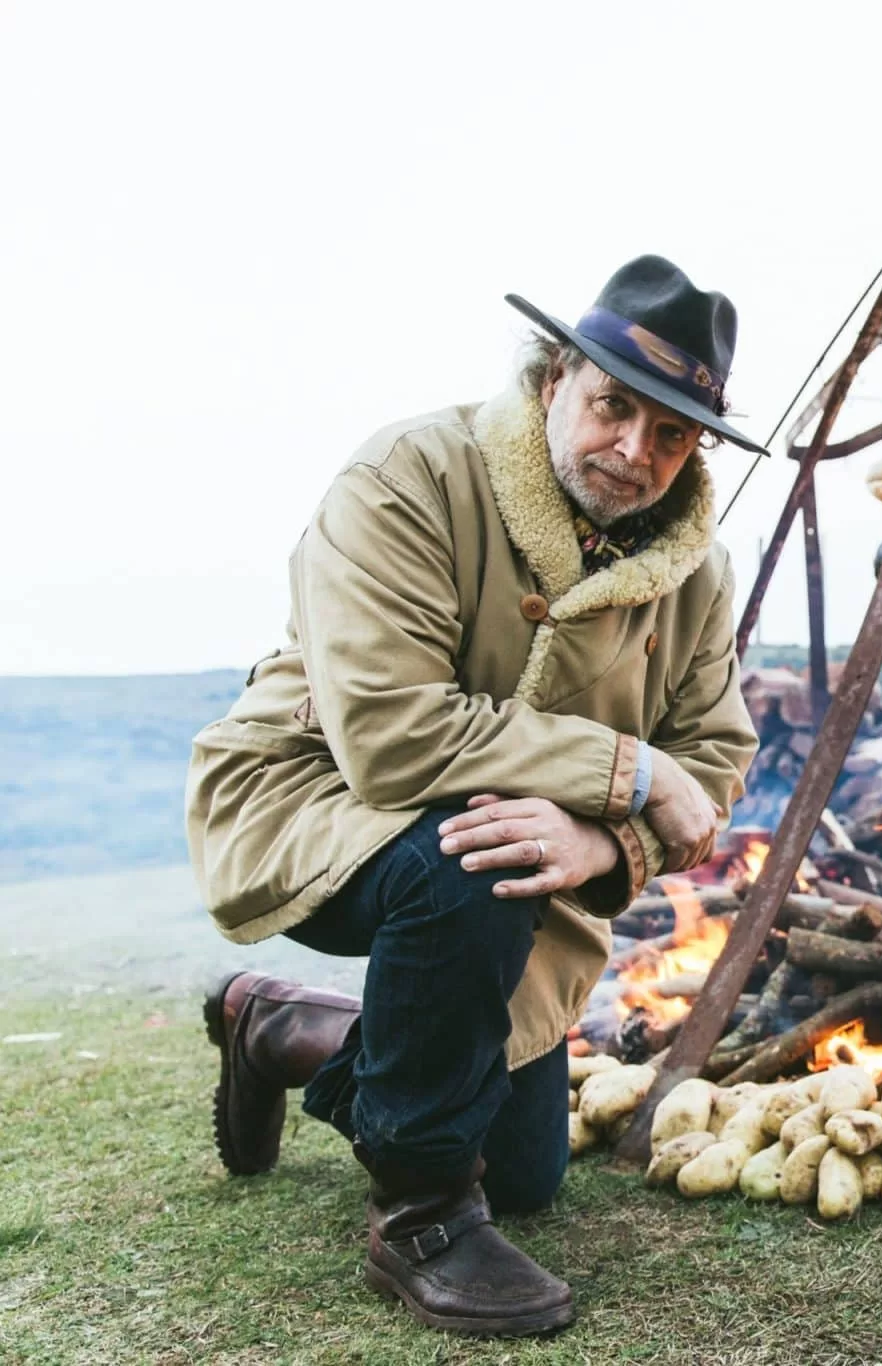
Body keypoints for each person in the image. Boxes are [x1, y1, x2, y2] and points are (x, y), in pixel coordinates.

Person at [186, 255, 762, 1337]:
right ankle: (420, 1217)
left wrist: (607, 851)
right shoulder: (404, 476)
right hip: (316, 792)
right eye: (613, 407)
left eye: (672, 432)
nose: (635, 451)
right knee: (476, 857)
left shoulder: (697, 568)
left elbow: (712, 760)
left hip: (525, 844)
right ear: (554, 381)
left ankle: (273, 1029)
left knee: (529, 1170)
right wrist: (626, 775)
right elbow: (390, 737)